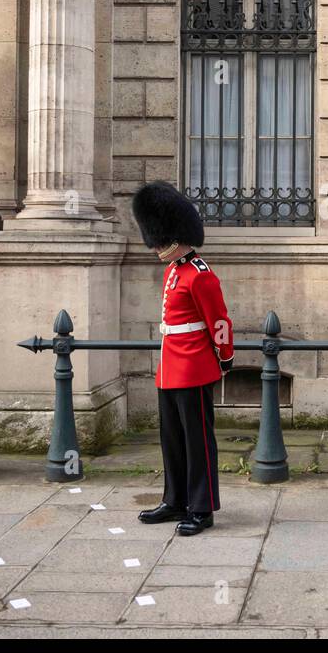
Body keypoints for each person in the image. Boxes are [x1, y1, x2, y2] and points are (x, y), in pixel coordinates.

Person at [130, 181, 234, 536]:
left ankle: (202, 508)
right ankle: (175, 500)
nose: (156, 245)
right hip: (170, 366)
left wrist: (225, 356)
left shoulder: (200, 275)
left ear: (177, 235)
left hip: (194, 368)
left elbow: (218, 321)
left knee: (198, 442)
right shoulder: (173, 271)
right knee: (171, 439)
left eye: (160, 237)